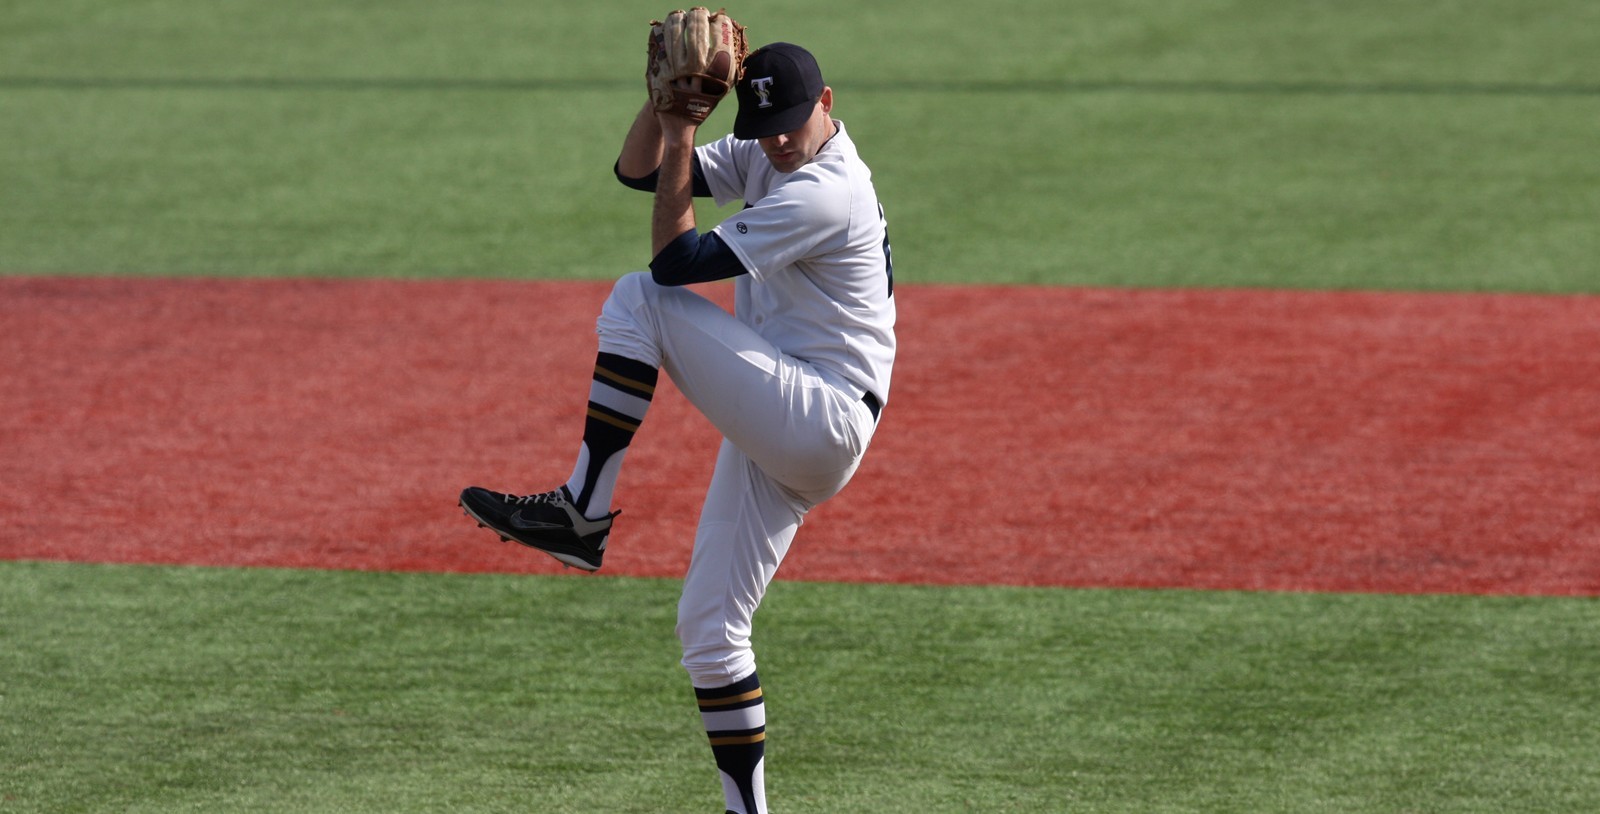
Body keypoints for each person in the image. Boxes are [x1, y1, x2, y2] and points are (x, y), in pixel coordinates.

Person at [459, 41, 895, 814]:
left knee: (638, 300)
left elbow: (674, 264)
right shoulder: (769, 150)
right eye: (765, 128)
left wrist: (685, 136)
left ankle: (581, 512)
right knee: (710, 628)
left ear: (827, 103)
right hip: (786, 410)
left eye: (793, 123)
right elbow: (639, 174)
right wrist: (664, 115)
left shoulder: (829, 190)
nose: (779, 141)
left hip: (819, 414)